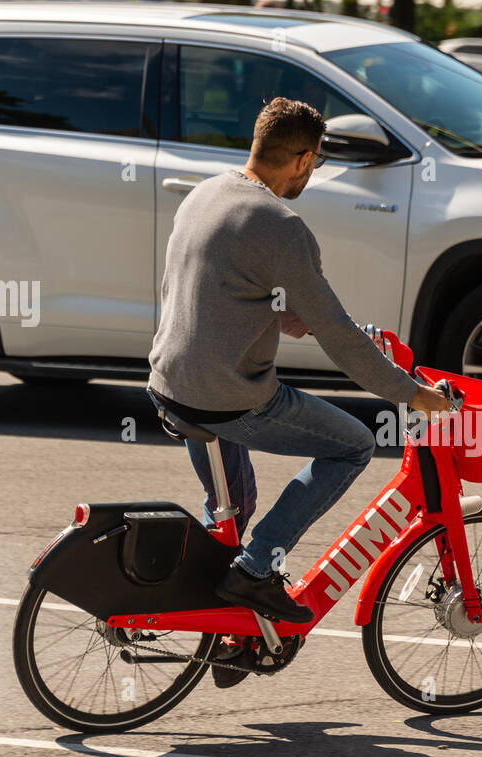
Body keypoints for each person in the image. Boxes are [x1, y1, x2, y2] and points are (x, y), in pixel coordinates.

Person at [148, 97, 450, 629]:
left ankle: (224, 624)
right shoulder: (282, 226)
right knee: (354, 444)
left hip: (170, 382)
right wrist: (412, 393)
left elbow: (229, 291)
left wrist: (302, 316)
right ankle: (256, 571)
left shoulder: (204, 194)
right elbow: (338, 338)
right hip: (229, 396)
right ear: (305, 160)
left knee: (234, 506)